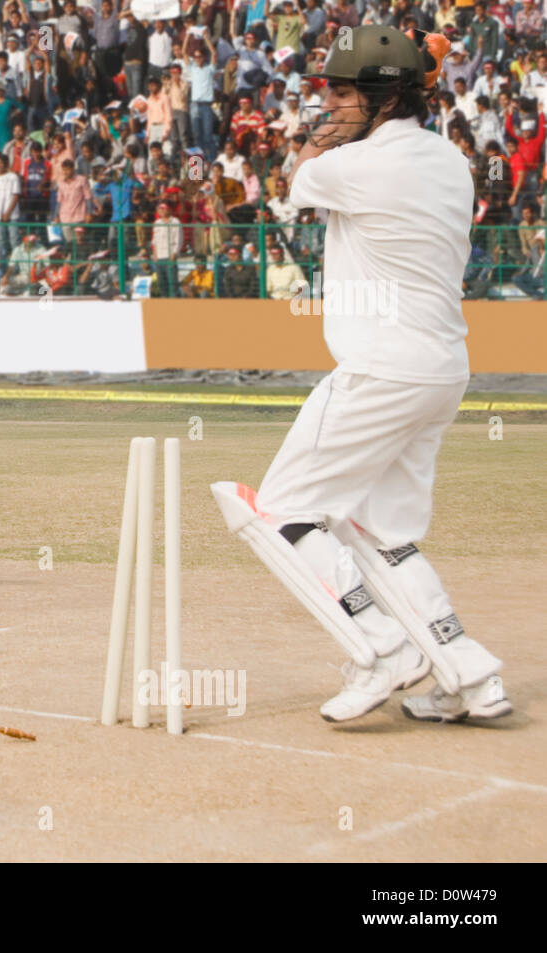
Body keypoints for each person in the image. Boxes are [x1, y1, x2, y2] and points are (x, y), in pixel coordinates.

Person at [214, 26, 510, 725]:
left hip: (379, 368)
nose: (330, 106)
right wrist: (378, 104)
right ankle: (470, 673)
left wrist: (324, 133)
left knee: (279, 508)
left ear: (383, 97)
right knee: (380, 530)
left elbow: (297, 176)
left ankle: (381, 647)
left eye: (343, 92)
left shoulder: (352, 167)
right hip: (441, 369)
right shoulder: (452, 163)